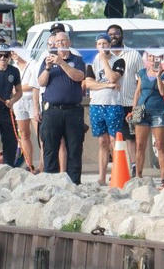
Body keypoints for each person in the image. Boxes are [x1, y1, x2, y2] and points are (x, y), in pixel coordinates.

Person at [38, 31, 86, 184]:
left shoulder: (77, 60)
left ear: (69, 43)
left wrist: (62, 63)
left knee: (74, 148)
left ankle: (74, 183)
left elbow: (78, 77)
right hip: (52, 111)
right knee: (50, 148)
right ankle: (51, 182)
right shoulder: (48, 60)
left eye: (63, 41)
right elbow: (41, 82)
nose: (60, 44)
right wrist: (47, 68)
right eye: (57, 42)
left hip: (73, 111)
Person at [84, 33, 125, 185]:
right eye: (99, 44)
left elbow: (113, 77)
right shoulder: (91, 62)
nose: (102, 46)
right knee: (102, 141)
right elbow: (88, 84)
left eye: (105, 43)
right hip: (96, 104)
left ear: (109, 45)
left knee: (114, 140)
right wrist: (107, 85)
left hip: (113, 104)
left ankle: (116, 173)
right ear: (96, 46)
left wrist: (104, 61)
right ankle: (101, 176)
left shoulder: (118, 60)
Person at [108, 23, 143, 176]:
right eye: (110, 34)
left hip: (132, 104)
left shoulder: (134, 54)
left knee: (133, 138)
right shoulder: (104, 56)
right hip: (111, 103)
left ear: (122, 35)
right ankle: (118, 169)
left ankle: (135, 167)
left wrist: (138, 103)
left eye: (116, 33)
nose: (113, 36)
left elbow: (142, 79)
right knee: (113, 137)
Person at [130, 50, 164, 184]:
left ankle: (163, 177)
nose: (153, 59)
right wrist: (133, 110)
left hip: (158, 111)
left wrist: (158, 76)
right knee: (140, 145)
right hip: (141, 110)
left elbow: (163, 92)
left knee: (160, 145)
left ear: (161, 58)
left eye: (156, 57)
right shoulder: (142, 72)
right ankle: (138, 175)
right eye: (151, 56)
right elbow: (137, 92)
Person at [10, 43, 38, 171]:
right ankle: (29, 164)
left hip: (32, 100)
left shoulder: (32, 64)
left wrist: (18, 88)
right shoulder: (13, 67)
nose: (13, 54)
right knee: (24, 133)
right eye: (11, 52)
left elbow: (33, 84)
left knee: (39, 134)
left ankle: (44, 164)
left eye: (15, 51)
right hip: (18, 101)